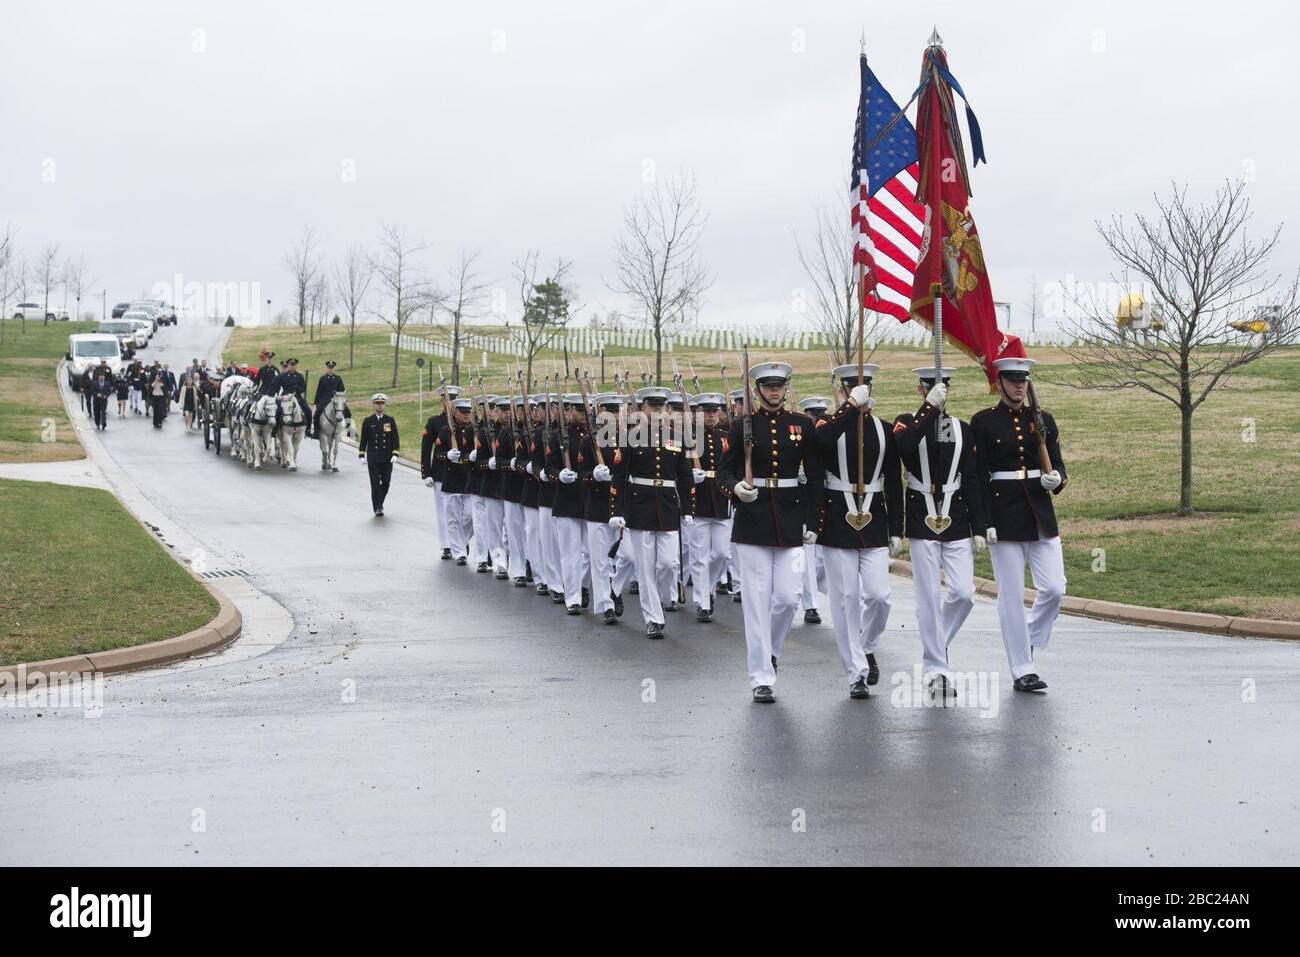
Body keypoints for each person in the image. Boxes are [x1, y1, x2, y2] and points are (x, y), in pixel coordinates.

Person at [718, 362, 823, 703]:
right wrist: (735, 488)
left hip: (791, 519)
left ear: (787, 387)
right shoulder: (741, 427)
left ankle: (771, 651)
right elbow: (724, 471)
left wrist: (812, 521)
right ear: (758, 390)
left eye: (779, 385)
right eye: (768, 386)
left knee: (788, 598)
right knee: (756, 602)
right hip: (753, 519)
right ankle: (760, 676)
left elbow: (815, 477)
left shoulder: (802, 426)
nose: (774, 391)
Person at [971, 357, 1067, 693]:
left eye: (1023, 380)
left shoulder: (1043, 421)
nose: (1019, 386)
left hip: (1039, 513)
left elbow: (1057, 465)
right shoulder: (983, 422)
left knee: (1055, 587)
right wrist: (983, 523)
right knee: (1010, 596)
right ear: (999, 384)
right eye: (1013, 380)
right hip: (1004, 515)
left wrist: (1057, 479)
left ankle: (1027, 638)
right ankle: (1022, 668)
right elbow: (978, 477)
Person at [893, 367, 987, 698]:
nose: (940, 390)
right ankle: (936, 668)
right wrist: (928, 408)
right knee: (929, 597)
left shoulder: (962, 428)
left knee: (963, 593)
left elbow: (971, 477)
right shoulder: (908, 420)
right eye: (933, 386)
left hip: (957, 516)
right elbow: (903, 447)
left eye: (945, 385)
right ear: (920, 388)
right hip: (922, 516)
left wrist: (979, 525)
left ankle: (935, 646)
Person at [810, 364, 901, 699]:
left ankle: (866, 645)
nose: (861, 395)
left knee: (879, 596)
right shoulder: (828, 426)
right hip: (836, 520)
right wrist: (848, 410)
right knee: (846, 599)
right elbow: (819, 444)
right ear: (843, 392)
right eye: (853, 390)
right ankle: (856, 673)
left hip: (874, 518)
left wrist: (897, 527)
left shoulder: (884, 429)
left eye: (864, 389)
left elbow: (893, 479)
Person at [608, 386, 693, 638]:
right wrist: (617, 510)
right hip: (639, 506)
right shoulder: (631, 436)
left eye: (660, 406)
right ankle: (653, 618)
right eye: (651, 406)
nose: (656, 410)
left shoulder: (677, 437)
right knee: (644, 568)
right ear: (643, 409)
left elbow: (685, 476)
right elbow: (620, 477)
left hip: (667, 506)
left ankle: (665, 598)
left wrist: (688, 508)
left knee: (668, 563)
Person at [684, 393, 732, 623]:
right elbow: (678, 469)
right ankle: (702, 602)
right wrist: (689, 476)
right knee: (699, 556)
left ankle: (710, 587)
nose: (712, 415)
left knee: (723, 553)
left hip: (721, 499)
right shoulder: (689, 437)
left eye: (715, 411)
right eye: (707, 412)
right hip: (698, 500)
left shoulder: (726, 437)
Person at [581, 392, 625, 625]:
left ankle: (615, 590)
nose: (615, 416)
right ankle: (606, 605)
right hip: (598, 506)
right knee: (600, 559)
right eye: (611, 411)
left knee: (625, 558)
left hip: (622, 507)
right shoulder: (590, 440)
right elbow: (581, 474)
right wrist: (594, 476)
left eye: (618, 411)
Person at [547, 394, 591, 615]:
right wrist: (559, 474)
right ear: (570, 412)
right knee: (570, 553)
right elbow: (548, 468)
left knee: (590, 553)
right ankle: (572, 597)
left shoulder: (597, 436)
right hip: (566, 501)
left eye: (587, 411)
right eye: (579, 411)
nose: (583, 416)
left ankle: (582, 585)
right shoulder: (558, 437)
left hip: (589, 500)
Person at [795, 395, 833, 625]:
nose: (818, 420)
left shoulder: (828, 437)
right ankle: (810, 605)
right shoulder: (800, 437)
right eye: (814, 415)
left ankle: (819, 590)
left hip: (829, 502)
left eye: (821, 415)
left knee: (822, 559)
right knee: (806, 558)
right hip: (804, 502)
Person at [421, 384, 461, 561]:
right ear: (442, 402)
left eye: (453, 400)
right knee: (443, 511)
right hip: (440, 473)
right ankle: (446, 545)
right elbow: (426, 449)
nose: (450, 403)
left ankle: (459, 542)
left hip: (460, 473)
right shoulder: (434, 422)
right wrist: (426, 473)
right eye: (447, 399)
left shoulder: (464, 422)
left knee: (461, 512)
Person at [436, 398, 476, 563]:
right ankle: (459, 552)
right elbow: (437, 454)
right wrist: (447, 455)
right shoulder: (446, 431)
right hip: (452, 479)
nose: (466, 416)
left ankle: (462, 541)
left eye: (468, 412)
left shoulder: (475, 431)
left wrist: (469, 457)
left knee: (470, 516)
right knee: (453, 518)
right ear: (455, 413)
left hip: (468, 479)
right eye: (463, 412)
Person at [496, 395, 530, 587]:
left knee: (531, 532)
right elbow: (498, 462)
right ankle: (518, 569)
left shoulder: (533, 432)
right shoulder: (506, 433)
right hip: (512, 488)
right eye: (519, 409)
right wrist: (512, 464)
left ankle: (531, 565)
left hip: (531, 488)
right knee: (515, 531)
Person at [358, 393, 400, 516]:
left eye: (382, 403)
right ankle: (377, 507)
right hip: (373, 458)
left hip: (387, 458)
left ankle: (379, 502)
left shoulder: (390, 420)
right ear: (374, 405)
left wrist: (395, 453)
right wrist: (361, 454)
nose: (380, 406)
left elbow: (395, 438)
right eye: (377, 403)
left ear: (384, 405)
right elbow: (364, 440)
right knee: (375, 484)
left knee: (386, 482)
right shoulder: (368, 421)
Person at [313, 360, 350, 440]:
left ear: (334, 368)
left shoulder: (338, 379)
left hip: (336, 399)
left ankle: (349, 431)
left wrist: (345, 401)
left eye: (332, 367)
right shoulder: (322, 379)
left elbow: (342, 391)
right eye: (329, 367)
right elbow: (319, 391)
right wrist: (316, 403)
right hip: (324, 399)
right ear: (326, 368)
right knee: (317, 413)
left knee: (348, 412)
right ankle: (316, 432)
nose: (330, 369)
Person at [277, 358, 311, 429]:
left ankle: (308, 429)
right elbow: (277, 386)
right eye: (291, 365)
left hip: (297, 396)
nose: (292, 366)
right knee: (277, 410)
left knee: (308, 410)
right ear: (288, 365)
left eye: (294, 365)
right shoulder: (283, 376)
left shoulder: (299, 376)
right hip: (285, 397)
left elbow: (303, 388)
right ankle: (276, 429)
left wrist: (297, 390)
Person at [148, 364, 168, 428]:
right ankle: (155, 422)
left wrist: (160, 381)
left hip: (161, 396)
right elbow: (151, 386)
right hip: (154, 396)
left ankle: (160, 423)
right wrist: (155, 381)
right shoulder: (153, 375)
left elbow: (164, 386)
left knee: (160, 410)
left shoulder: (162, 376)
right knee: (155, 410)